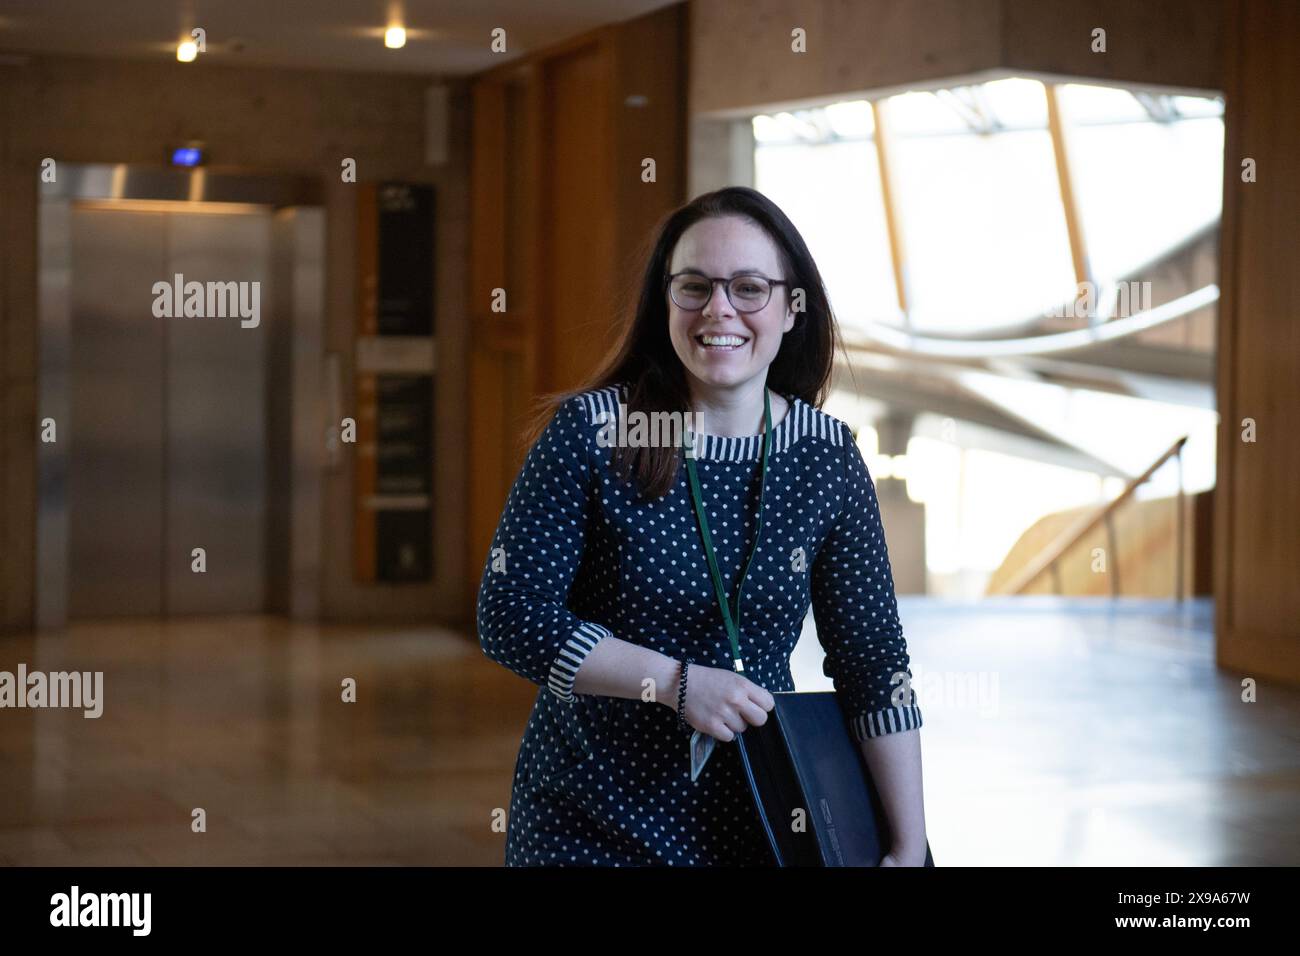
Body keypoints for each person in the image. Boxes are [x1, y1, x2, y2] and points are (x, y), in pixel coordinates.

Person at [476, 186, 927, 866]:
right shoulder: (594, 433)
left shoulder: (828, 456)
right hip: (588, 820)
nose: (719, 310)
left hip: (765, 815)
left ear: (791, 306)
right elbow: (509, 613)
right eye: (694, 287)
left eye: (749, 287)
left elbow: (875, 665)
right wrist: (676, 683)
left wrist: (908, 844)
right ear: (667, 302)